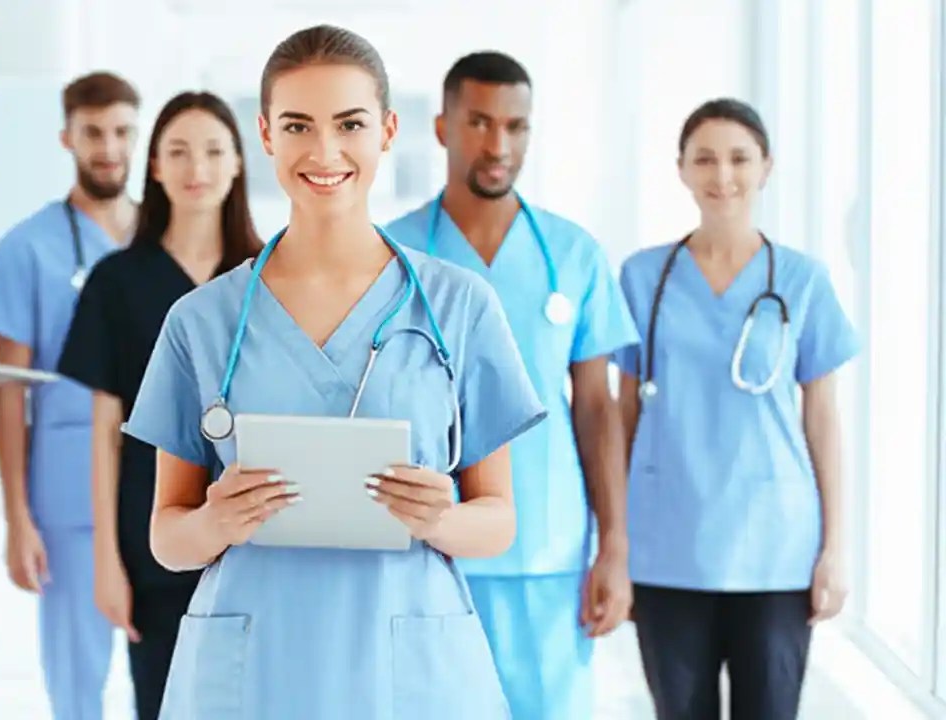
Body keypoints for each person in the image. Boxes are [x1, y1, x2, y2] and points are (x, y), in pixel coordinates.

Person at [121, 25, 548, 720]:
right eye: (297, 126)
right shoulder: (201, 321)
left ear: (386, 131)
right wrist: (217, 521)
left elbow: (497, 521)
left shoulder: (457, 306)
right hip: (254, 664)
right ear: (265, 135)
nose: (324, 152)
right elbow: (167, 540)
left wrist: (440, 517)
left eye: (349, 124)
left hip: (407, 664)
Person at [385, 51, 638, 719]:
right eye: (480, 123)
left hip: (547, 547)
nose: (499, 145)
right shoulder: (392, 254)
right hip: (426, 544)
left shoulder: (574, 253)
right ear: (443, 128)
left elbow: (595, 407)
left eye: (516, 126)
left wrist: (613, 543)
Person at [614, 98, 859, 720]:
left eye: (738, 158)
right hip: (668, 545)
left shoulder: (802, 280)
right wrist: (611, 544)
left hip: (776, 548)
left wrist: (836, 547)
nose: (722, 175)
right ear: (682, 170)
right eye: (705, 159)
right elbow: (621, 419)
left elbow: (823, 419)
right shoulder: (644, 278)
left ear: (766, 167)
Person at [57, 90, 262, 720]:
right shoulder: (116, 282)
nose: (195, 168)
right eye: (177, 151)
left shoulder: (267, 278)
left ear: (237, 165)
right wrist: (106, 563)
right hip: (152, 545)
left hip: (257, 542)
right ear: (154, 166)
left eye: (212, 151)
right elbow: (103, 434)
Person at [0, 70, 140, 720]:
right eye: (93, 133)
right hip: (71, 498)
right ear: (66, 137)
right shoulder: (28, 248)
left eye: (122, 131)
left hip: (162, 487)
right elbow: (8, 395)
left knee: (170, 675)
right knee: (78, 686)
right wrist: (17, 516)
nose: (108, 148)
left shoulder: (165, 236)